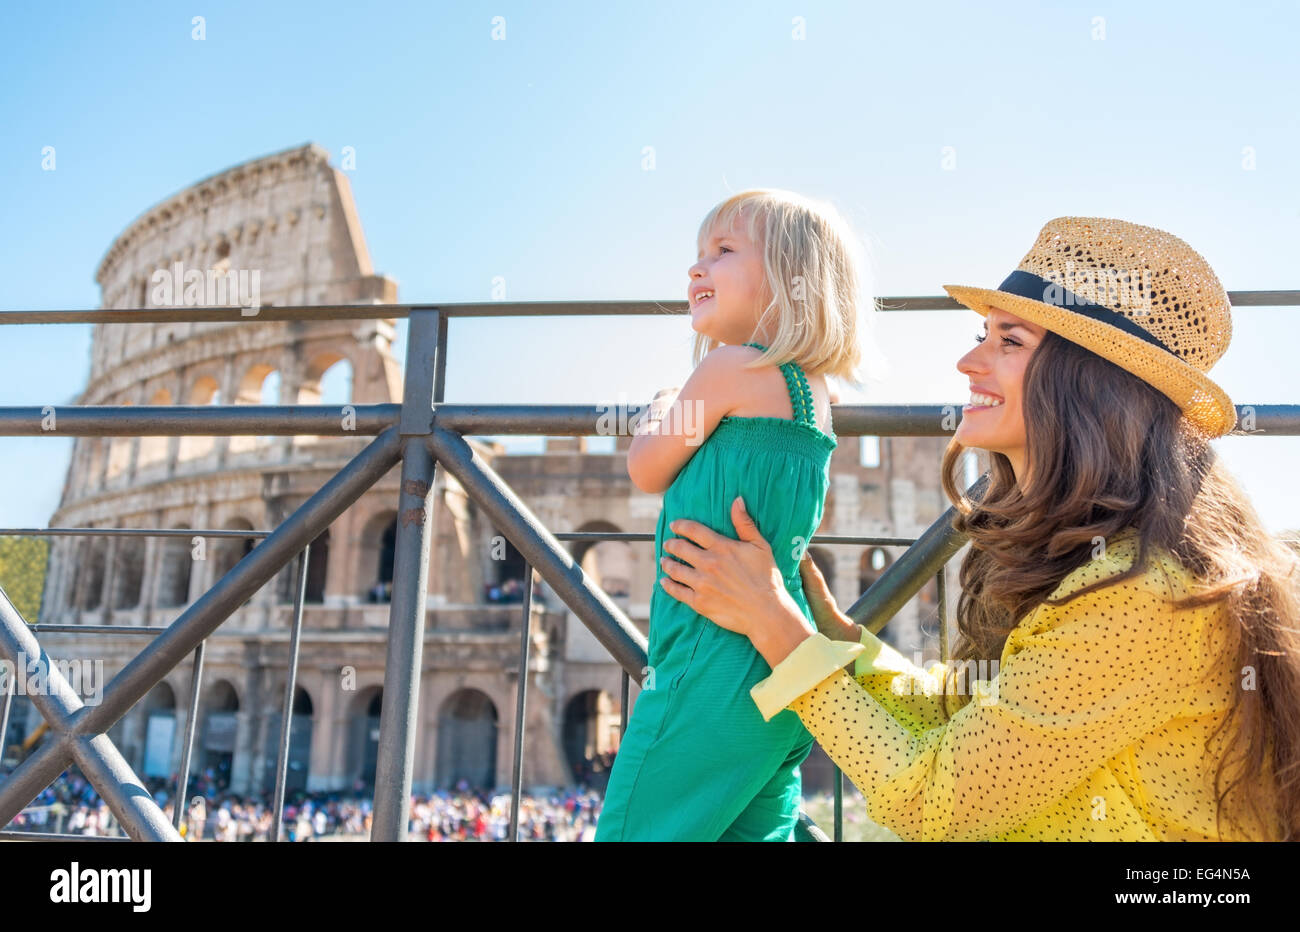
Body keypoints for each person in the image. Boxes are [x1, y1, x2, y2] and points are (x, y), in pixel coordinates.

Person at [656, 216, 1299, 841]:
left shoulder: (1139, 595)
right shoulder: (1094, 550)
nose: (968, 360)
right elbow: (960, 717)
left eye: (1009, 342)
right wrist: (833, 635)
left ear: (1092, 386)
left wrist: (778, 630)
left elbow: (935, 802)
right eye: (982, 333)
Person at [594, 189, 872, 841]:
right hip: (785, 676)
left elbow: (647, 465)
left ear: (790, 283)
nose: (697, 269)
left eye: (722, 252)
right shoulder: (815, 396)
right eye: (697, 254)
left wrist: (666, 402)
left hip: (705, 674)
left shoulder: (728, 370)